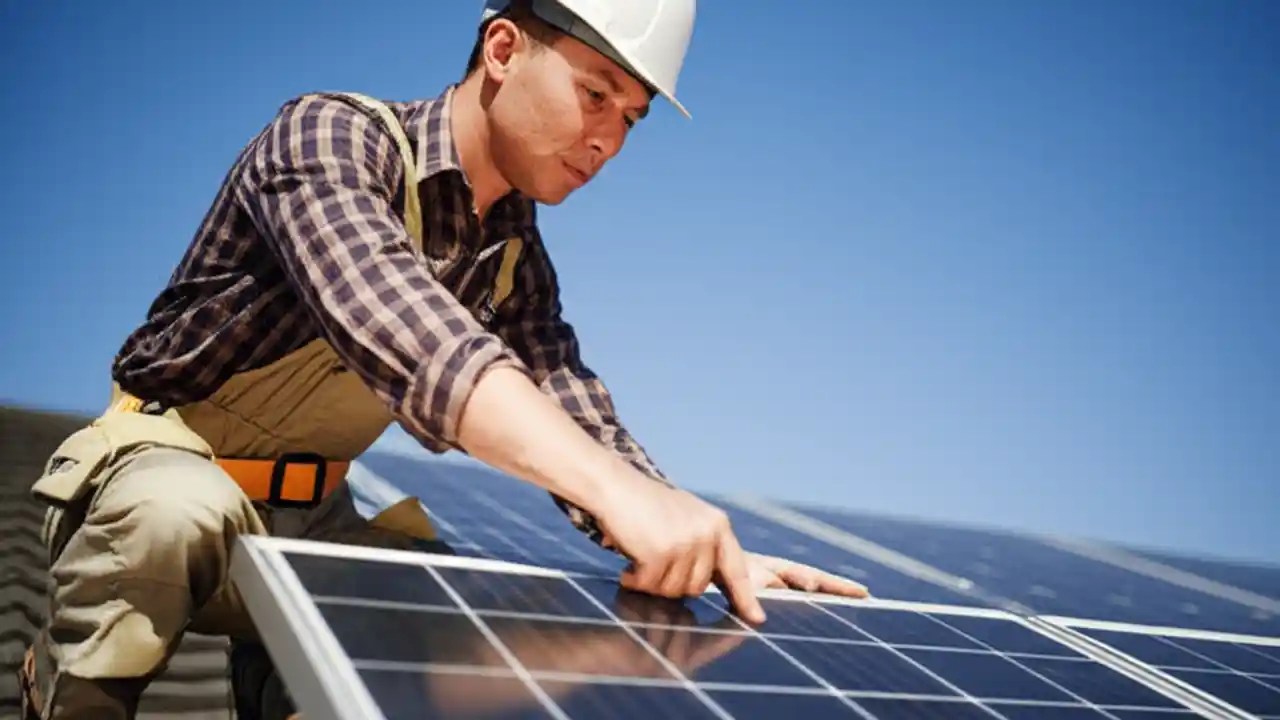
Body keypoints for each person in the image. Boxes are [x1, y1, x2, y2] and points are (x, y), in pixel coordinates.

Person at [19, 1, 869, 718]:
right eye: (593, 92)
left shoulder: (514, 261)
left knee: (451, 621)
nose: (606, 140)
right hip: (158, 469)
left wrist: (691, 533)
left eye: (630, 119)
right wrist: (618, 496)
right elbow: (413, 333)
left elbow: (571, 404)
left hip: (311, 516)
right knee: (176, 511)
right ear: (502, 48)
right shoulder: (329, 139)